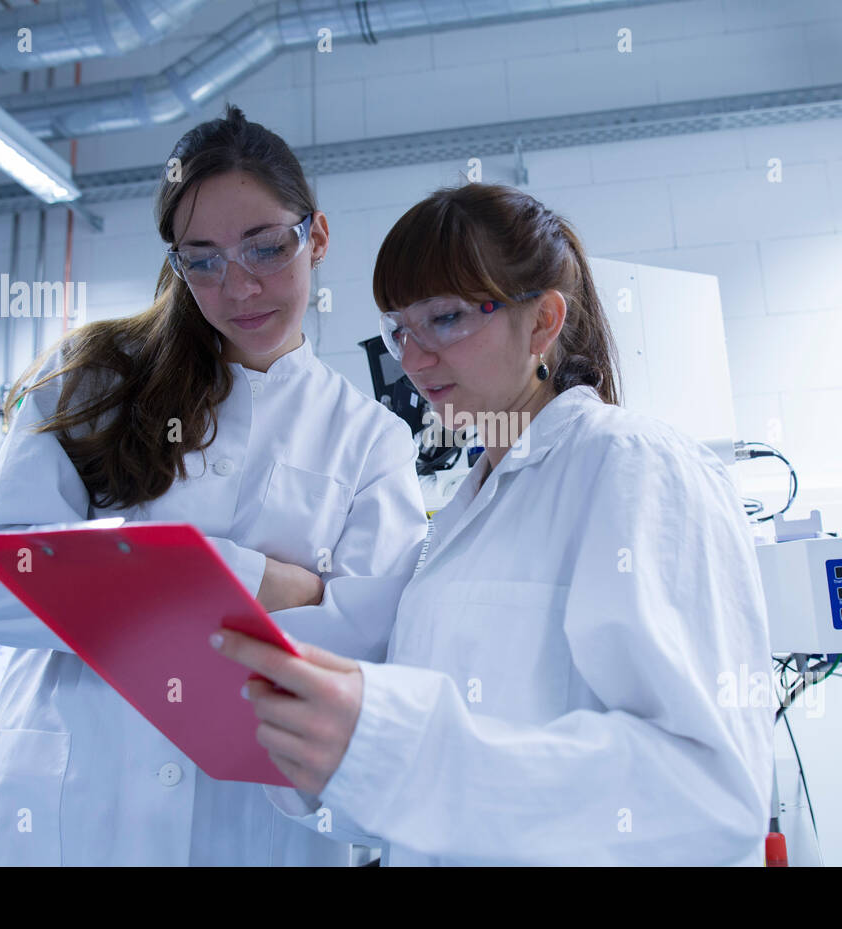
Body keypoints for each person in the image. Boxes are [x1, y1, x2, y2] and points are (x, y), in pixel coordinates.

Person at [210, 181, 776, 865]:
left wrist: (401, 747)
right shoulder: (457, 519)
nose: (413, 360)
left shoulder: (633, 466)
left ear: (541, 322)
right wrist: (312, 760)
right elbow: (421, 807)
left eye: (445, 319)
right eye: (399, 329)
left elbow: (708, 797)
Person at [0, 104, 427, 866]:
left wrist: (128, 580)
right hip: (73, 815)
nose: (239, 287)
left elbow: (363, 646)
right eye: (201, 259)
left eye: (266, 247)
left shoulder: (369, 440)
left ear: (319, 237)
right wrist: (263, 580)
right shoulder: (94, 381)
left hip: (254, 830)